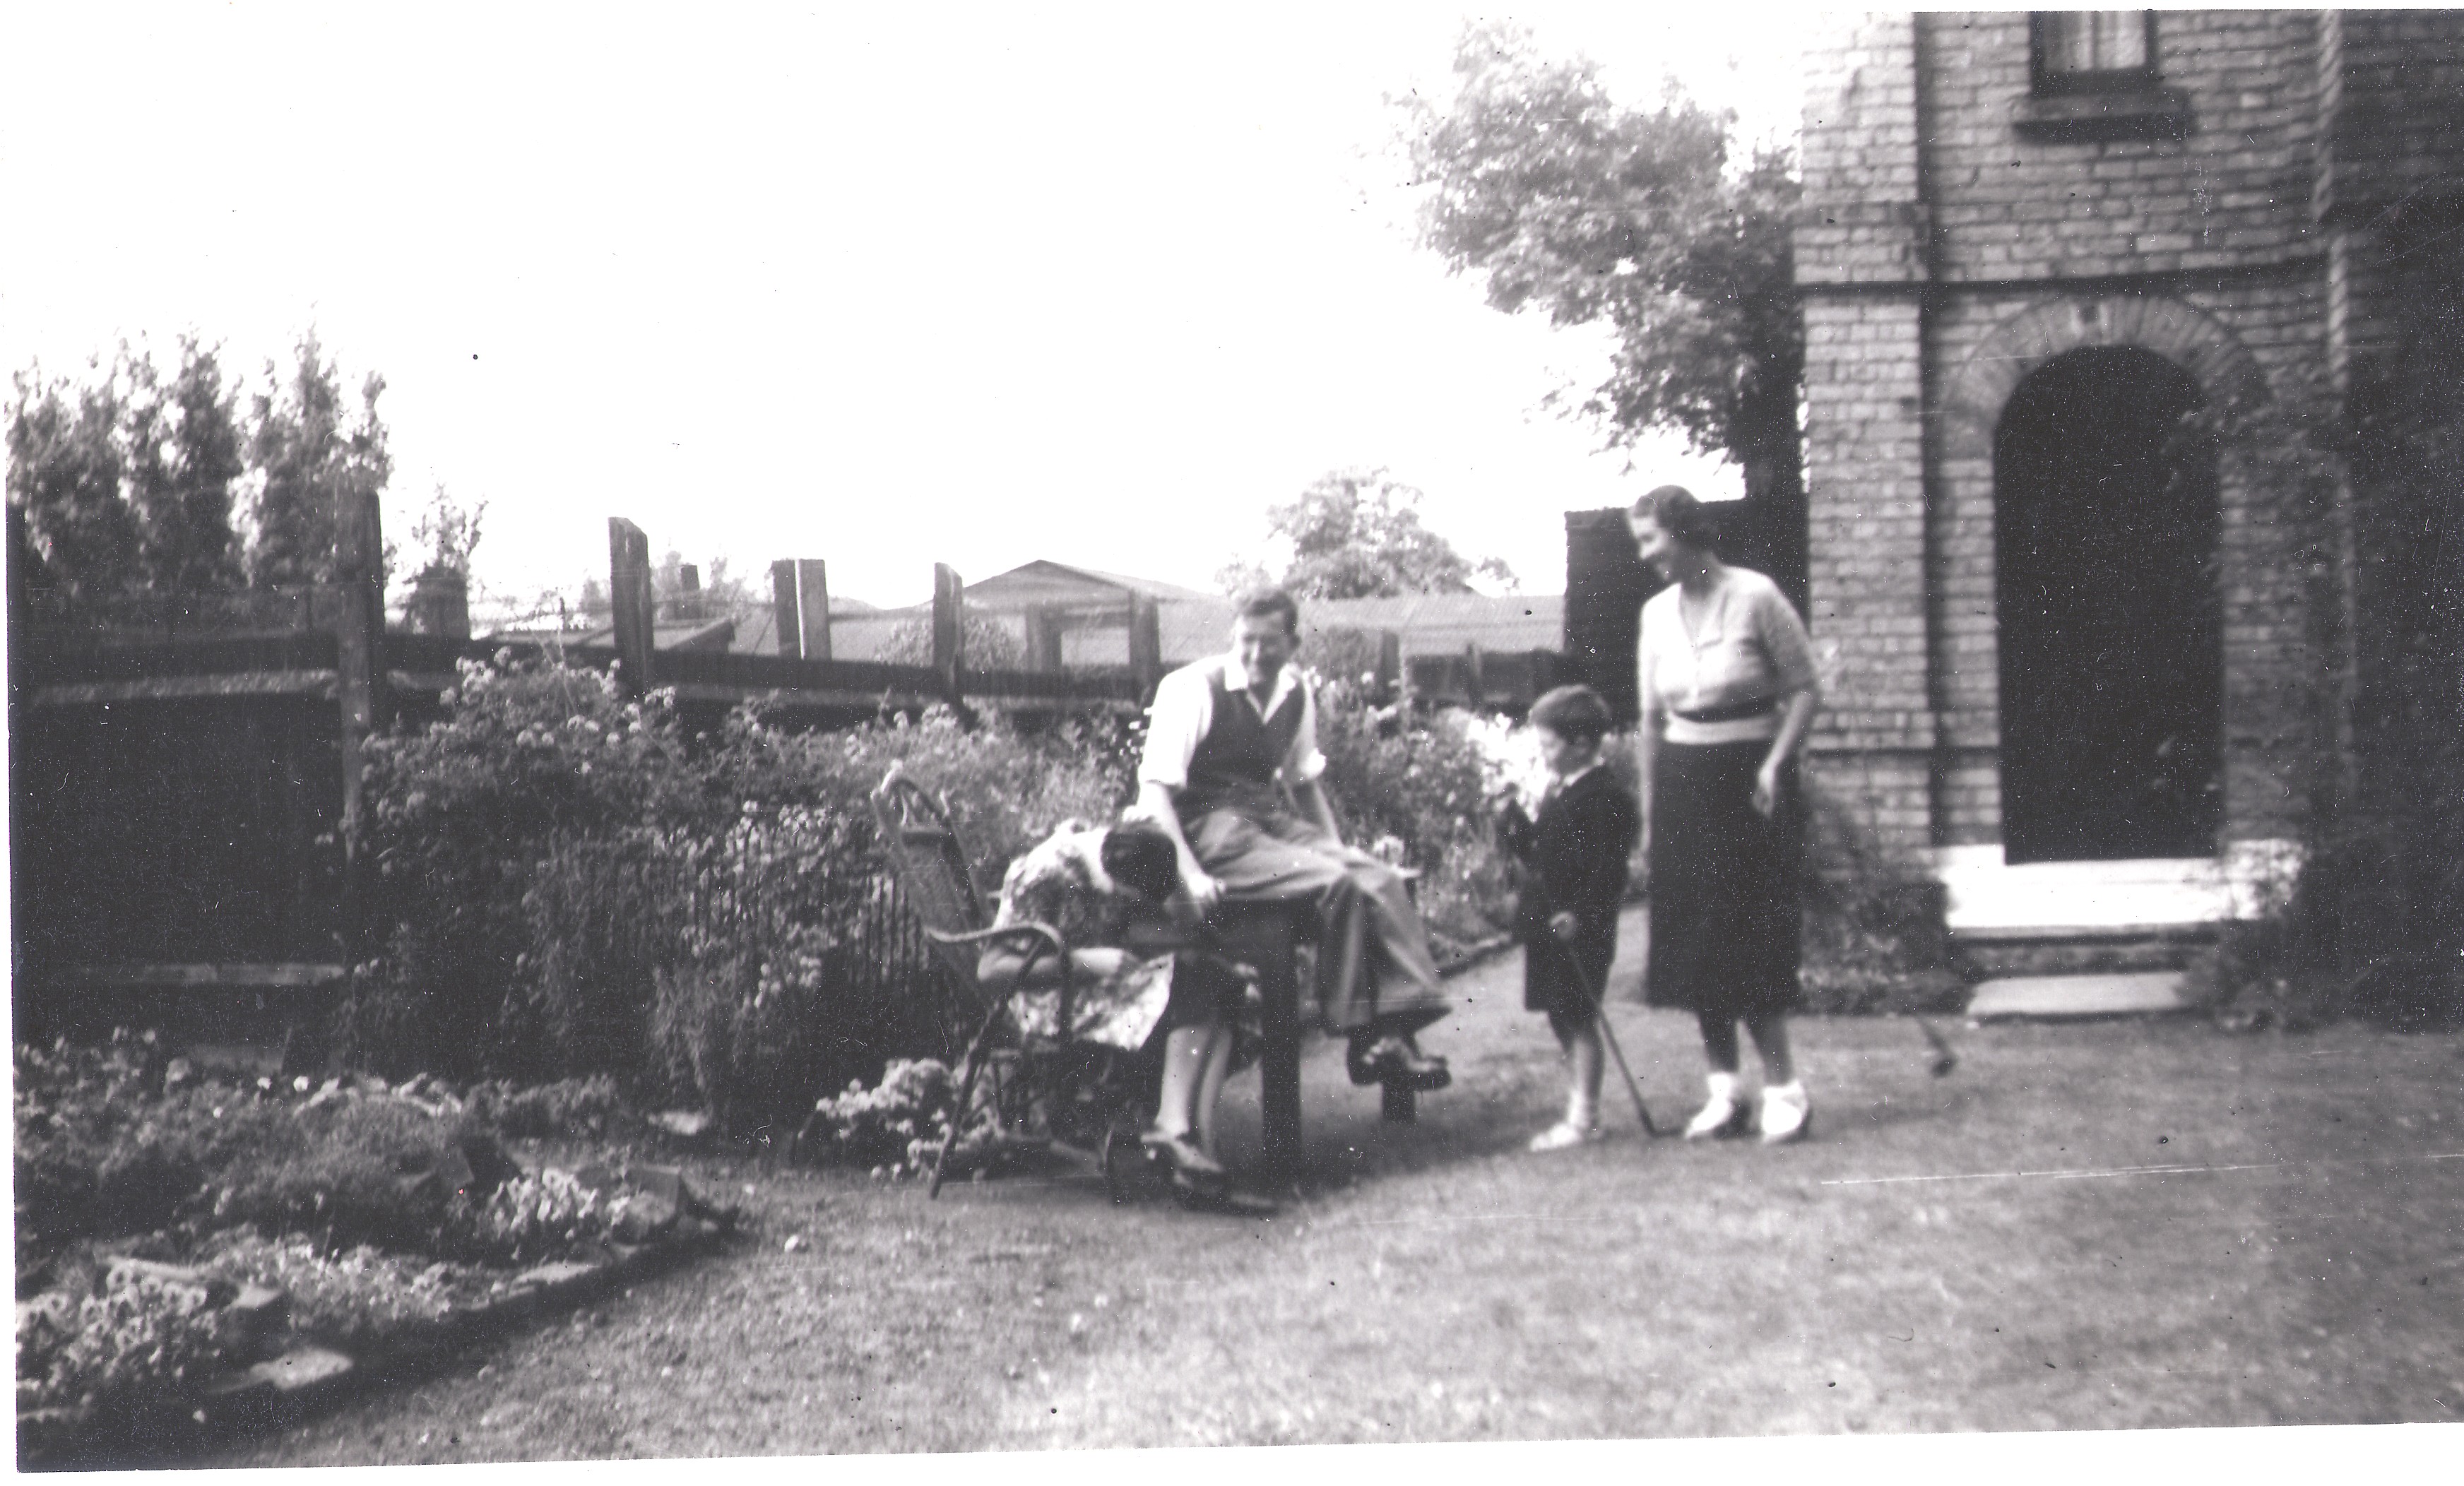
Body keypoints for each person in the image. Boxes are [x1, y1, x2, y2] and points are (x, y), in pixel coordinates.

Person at [1135, 586, 1453, 1099]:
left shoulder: (1294, 692)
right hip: (1207, 831)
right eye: (1247, 641)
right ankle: (1364, 1034)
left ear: (1294, 642)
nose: (1257, 654)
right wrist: (1190, 873)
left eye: (1270, 643)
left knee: (1378, 878)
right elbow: (1153, 794)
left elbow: (1302, 784)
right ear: (1233, 636)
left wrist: (1338, 848)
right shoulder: (1191, 688)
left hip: (1266, 821)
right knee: (1336, 884)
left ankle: (1393, 1033)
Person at [1630, 485, 1823, 1144]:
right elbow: (1651, 723)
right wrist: (1652, 818)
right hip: (1685, 783)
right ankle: (1725, 1093)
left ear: (1684, 531)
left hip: (1749, 783)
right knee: (1692, 942)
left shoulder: (1757, 596)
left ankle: (1784, 1089)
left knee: (1751, 935)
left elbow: (1805, 688)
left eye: (1651, 539)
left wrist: (1774, 764)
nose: (1644, 553)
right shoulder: (1655, 614)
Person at [976, 814, 1257, 1203]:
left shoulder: (1128, 851)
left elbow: (1182, 918)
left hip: (1100, 991)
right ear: (1118, 881)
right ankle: (1173, 1130)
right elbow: (991, 970)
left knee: (1220, 980)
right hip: (1050, 1005)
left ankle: (1197, 1145)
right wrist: (1086, 962)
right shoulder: (1045, 875)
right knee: (1194, 980)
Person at [1498, 684, 1640, 1152]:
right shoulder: (1559, 789)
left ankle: (1584, 1118)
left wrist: (1581, 914)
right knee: (1561, 1015)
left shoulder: (1605, 798)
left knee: (1578, 1016)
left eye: (1549, 746)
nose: (1543, 755)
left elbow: (1607, 870)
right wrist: (1512, 823)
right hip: (1548, 925)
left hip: (1579, 929)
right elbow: (1541, 850)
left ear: (1582, 744)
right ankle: (1581, 1104)